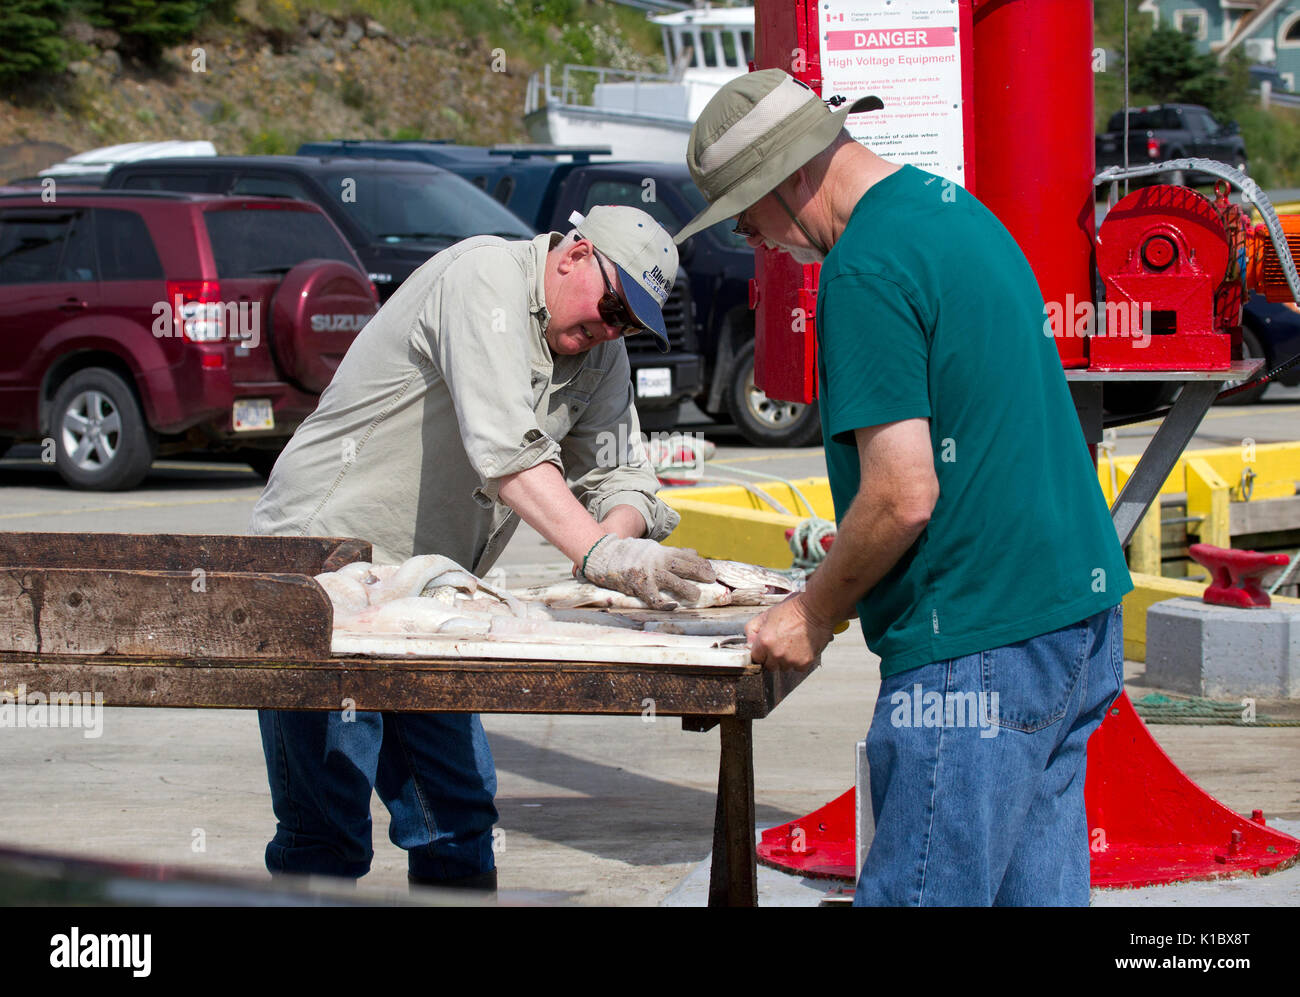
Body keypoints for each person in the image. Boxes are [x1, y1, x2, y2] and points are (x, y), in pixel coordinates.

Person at [675, 70, 1132, 906]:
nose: (749, 233)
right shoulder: (953, 214)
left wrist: (812, 611)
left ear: (790, 175)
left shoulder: (863, 268)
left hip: (972, 643)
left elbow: (900, 492)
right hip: (1073, 619)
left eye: (746, 210)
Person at [248, 205, 715, 893]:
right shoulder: (483, 278)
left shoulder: (598, 350)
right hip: (319, 569)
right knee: (327, 827)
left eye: (627, 323)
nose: (609, 328)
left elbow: (623, 474)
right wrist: (605, 558)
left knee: (457, 817)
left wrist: (620, 543)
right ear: (574, 253)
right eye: (611, 304)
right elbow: (507, 454)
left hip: (430, 591)